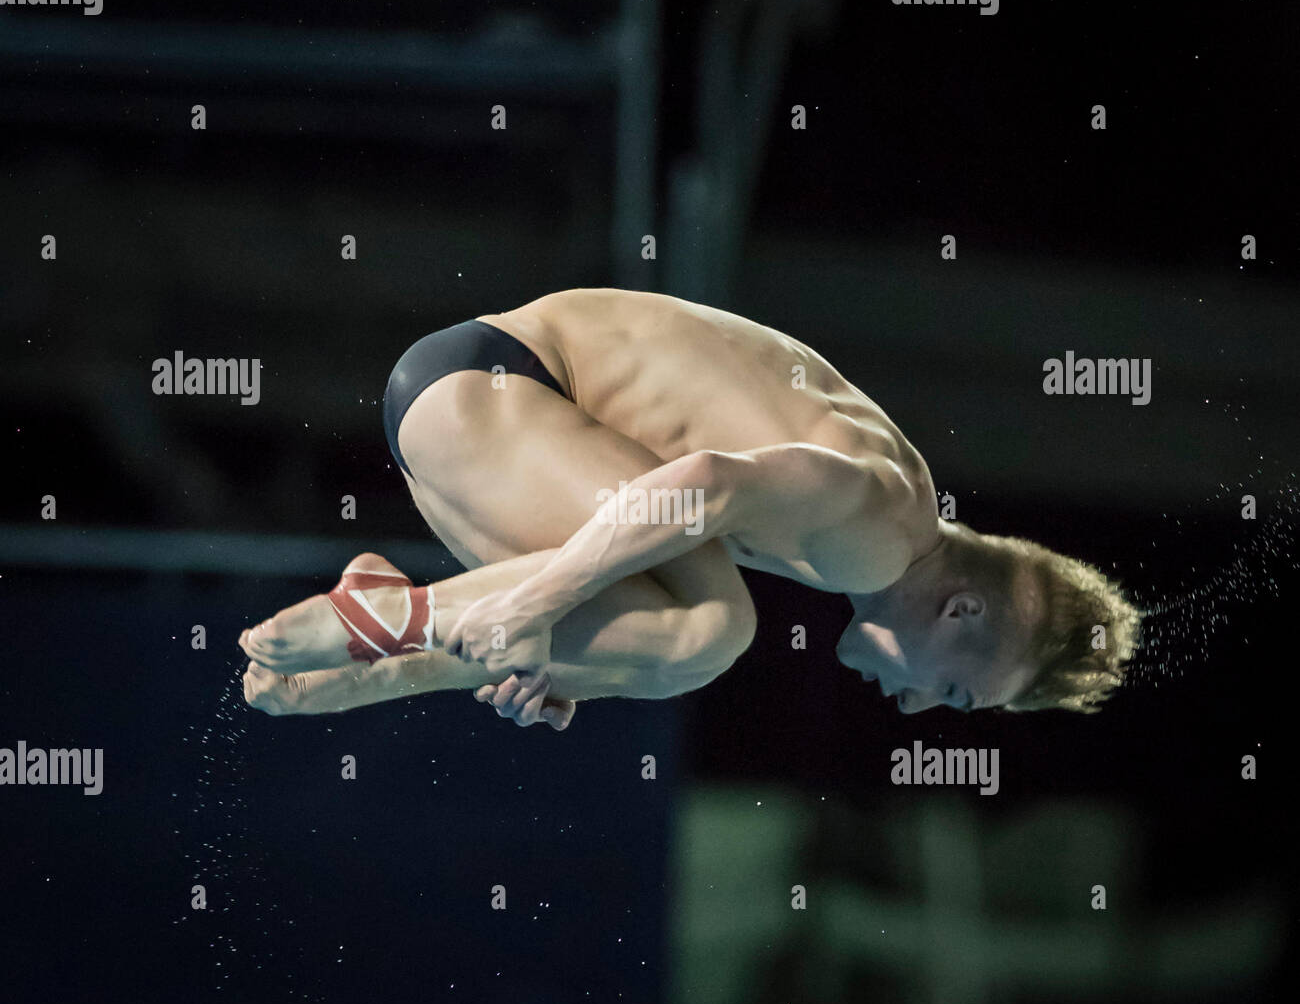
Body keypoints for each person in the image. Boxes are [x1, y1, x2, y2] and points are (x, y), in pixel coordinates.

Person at [240, 289, 1140, 727]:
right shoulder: (880, 530)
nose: (912, 711)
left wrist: (565, 656)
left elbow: (665, 506)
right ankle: (394, 622)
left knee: (659, 642)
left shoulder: (882, 519)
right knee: (711, 630)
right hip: (491, 388)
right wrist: (534, 607)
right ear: (963, 609)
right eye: (951, 688)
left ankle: (385, 647)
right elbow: (701, 482)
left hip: (473, 399)